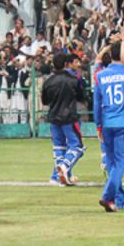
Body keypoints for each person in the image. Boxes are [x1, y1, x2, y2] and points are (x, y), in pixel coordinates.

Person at [92, 36, 124, 212]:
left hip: (106, 122)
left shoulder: (100, 75)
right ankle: (107, 196)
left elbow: (96, 103)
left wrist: (98, 126)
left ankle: (118, 200)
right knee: (121, 160)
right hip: (123, 122)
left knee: (110, 162)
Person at [41, 51, 87, 186]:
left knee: (58, 147)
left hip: (54, 117)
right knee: (77, 146)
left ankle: (56, 177)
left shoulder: (48, 81)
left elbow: (45, 101)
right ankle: (65, 166)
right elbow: (81, 97)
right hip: (69, 118)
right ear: (66, 64)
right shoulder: (73, 80)